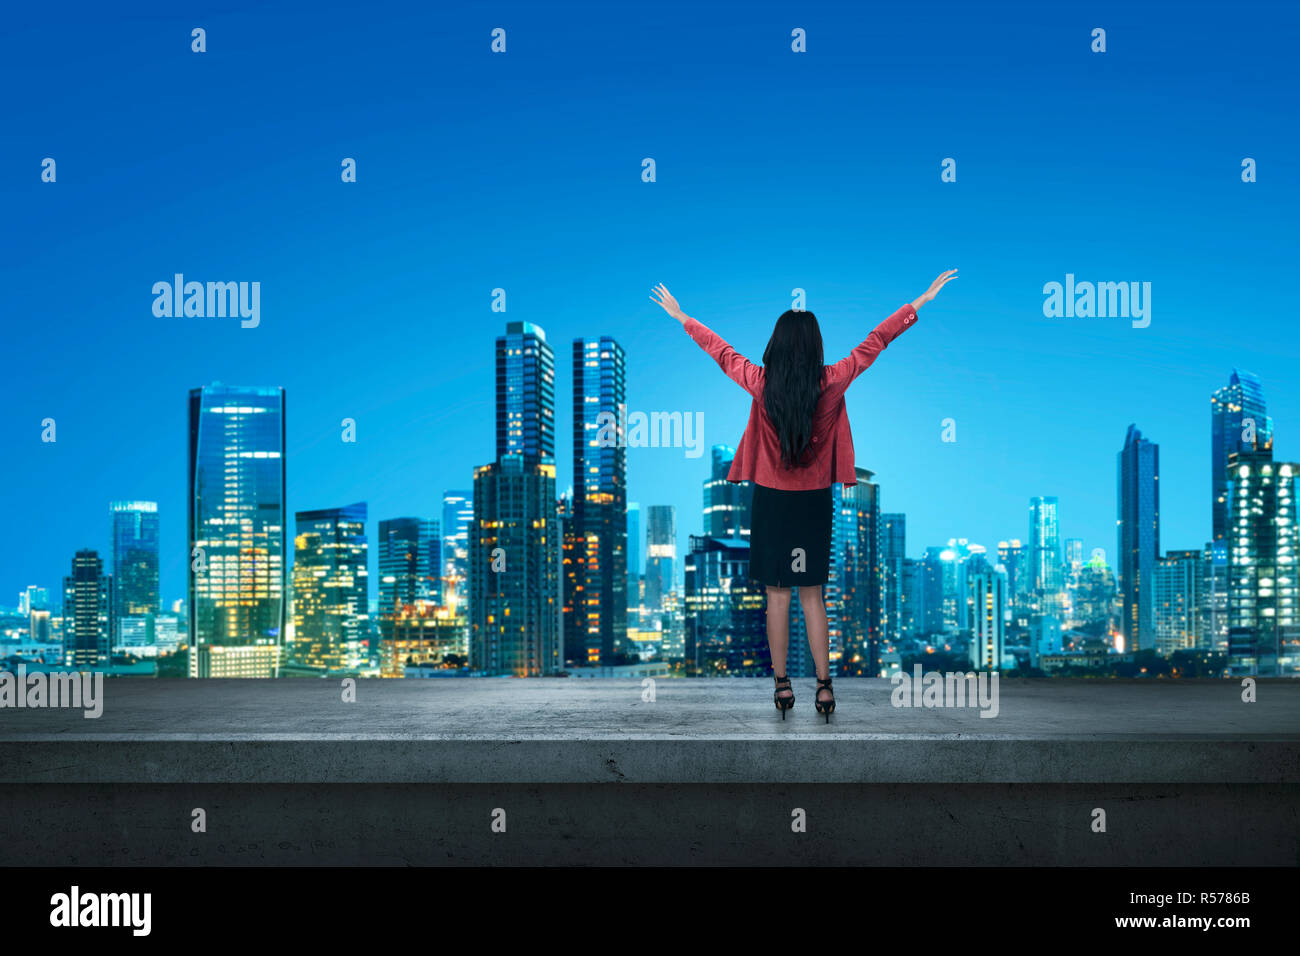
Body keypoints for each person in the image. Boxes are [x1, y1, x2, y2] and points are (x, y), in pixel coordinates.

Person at [650, 271, 957, 720]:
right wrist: (920, 302)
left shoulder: (760, 381)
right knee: (813, 597)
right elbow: (876, 342)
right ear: (816, 346)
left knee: (777, 597)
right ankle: (825, 688)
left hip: (772, 503)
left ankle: (781, 686)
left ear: (776, 344)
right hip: (814, 502)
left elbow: (721, 352)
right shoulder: (832, 382)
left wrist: (682, 317)